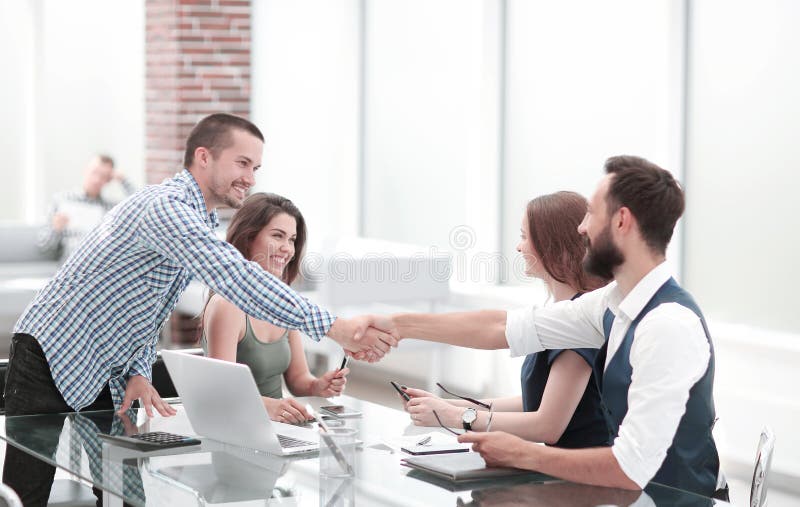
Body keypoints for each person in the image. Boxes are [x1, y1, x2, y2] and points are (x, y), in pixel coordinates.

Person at [3, 113, 397, 506]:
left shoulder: (195, 217)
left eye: (256, 167)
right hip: (51, 352)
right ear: (204, 157)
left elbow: (145, 308)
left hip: (103, 366)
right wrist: (334, 326)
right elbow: (237, 276)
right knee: (26, 491)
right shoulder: (166, 208)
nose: (251, 178)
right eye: (242, 163)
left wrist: (138, 371)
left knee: (126, 491)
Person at [382, 156, 726, 499]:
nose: (581, 228)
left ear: (622, 221)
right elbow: (501, 326)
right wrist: (396, 325)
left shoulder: (667, 326)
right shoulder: (611, 303)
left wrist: (518, 450)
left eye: (591, 213)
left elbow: (629, 467)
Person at [398, 191, 610, 449]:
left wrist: (455, 416)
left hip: (580, 476)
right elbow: (534, 402)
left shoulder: (577, 324)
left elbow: (548, 425)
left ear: (552, 245)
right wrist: (444, 405)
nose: (518, 247)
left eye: (524, 237)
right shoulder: (559, 314)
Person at [202, 193, 349, 424]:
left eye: (291, 239)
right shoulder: (227, 305)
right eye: (277, 236)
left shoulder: (283, 301)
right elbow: (224, 392)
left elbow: (298, 379)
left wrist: (318, 385)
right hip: (237, 427)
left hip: (279, 428)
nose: (287, 249)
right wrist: (270, 406)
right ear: (249, 237)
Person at [38, 154, 135, 259]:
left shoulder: (110, 208)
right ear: (86, 171)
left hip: (100, 259)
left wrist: (123, 180)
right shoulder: (62, 199)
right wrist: (55, 229)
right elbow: (43, 246)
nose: (97, 180)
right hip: (72, 260)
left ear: (108, 180)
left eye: (103, 176)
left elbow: (138, 206)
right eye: (94, 172)